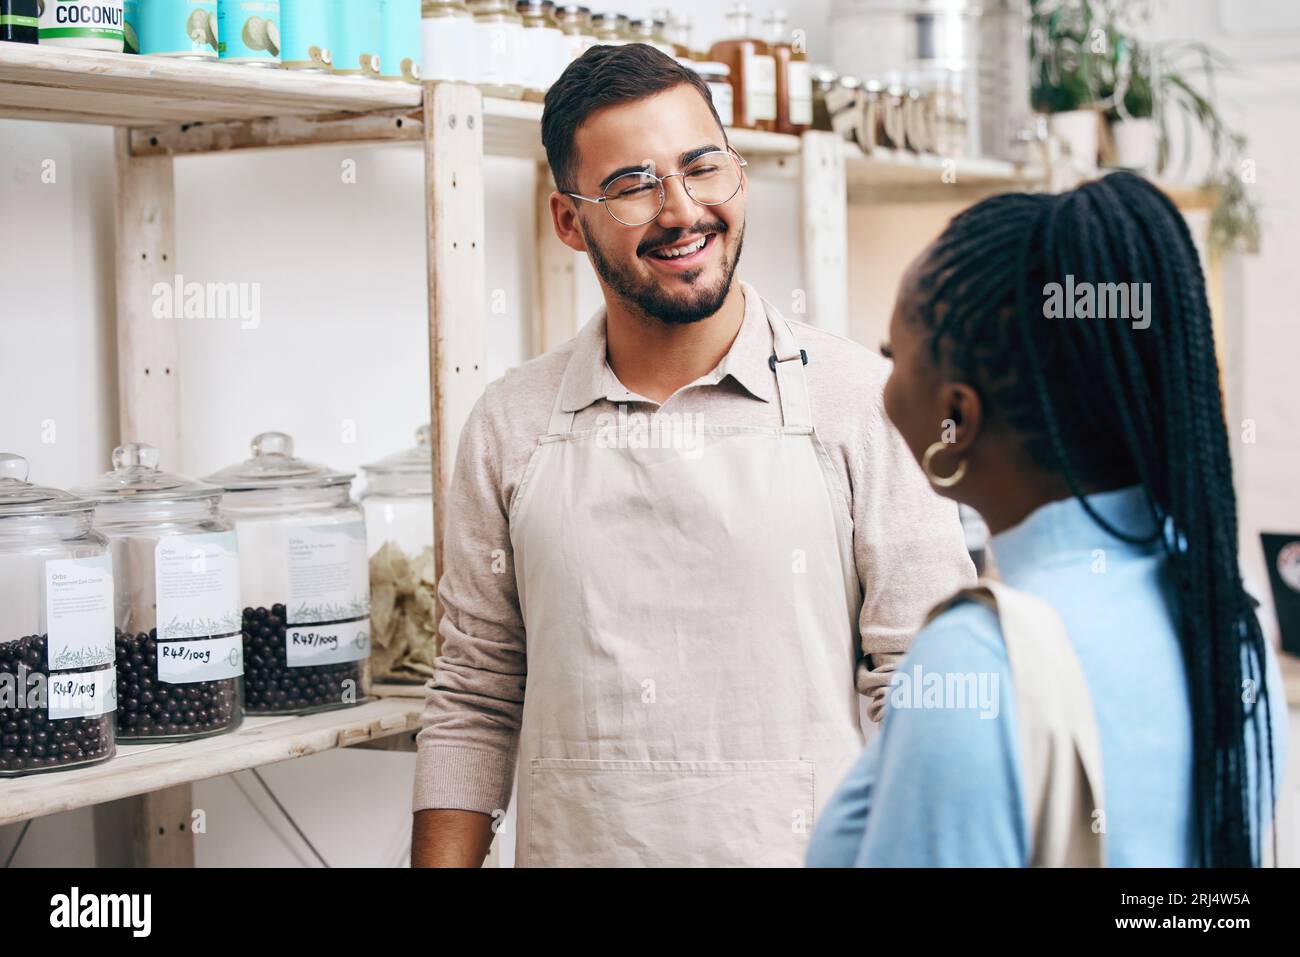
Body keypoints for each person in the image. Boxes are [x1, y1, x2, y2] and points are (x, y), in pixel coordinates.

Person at [410, 44, 974, 867]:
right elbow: (474, 699)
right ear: (569, 221)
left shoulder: (862, 401)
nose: (682, 211)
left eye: (701, 167)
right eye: (633, 185)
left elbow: (927, 690)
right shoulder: (511, 423)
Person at [807, 173, 1286, 867]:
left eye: (893, 357)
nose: (881, 384)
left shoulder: (980, 658)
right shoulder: (1224, 610)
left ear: (957, 420)